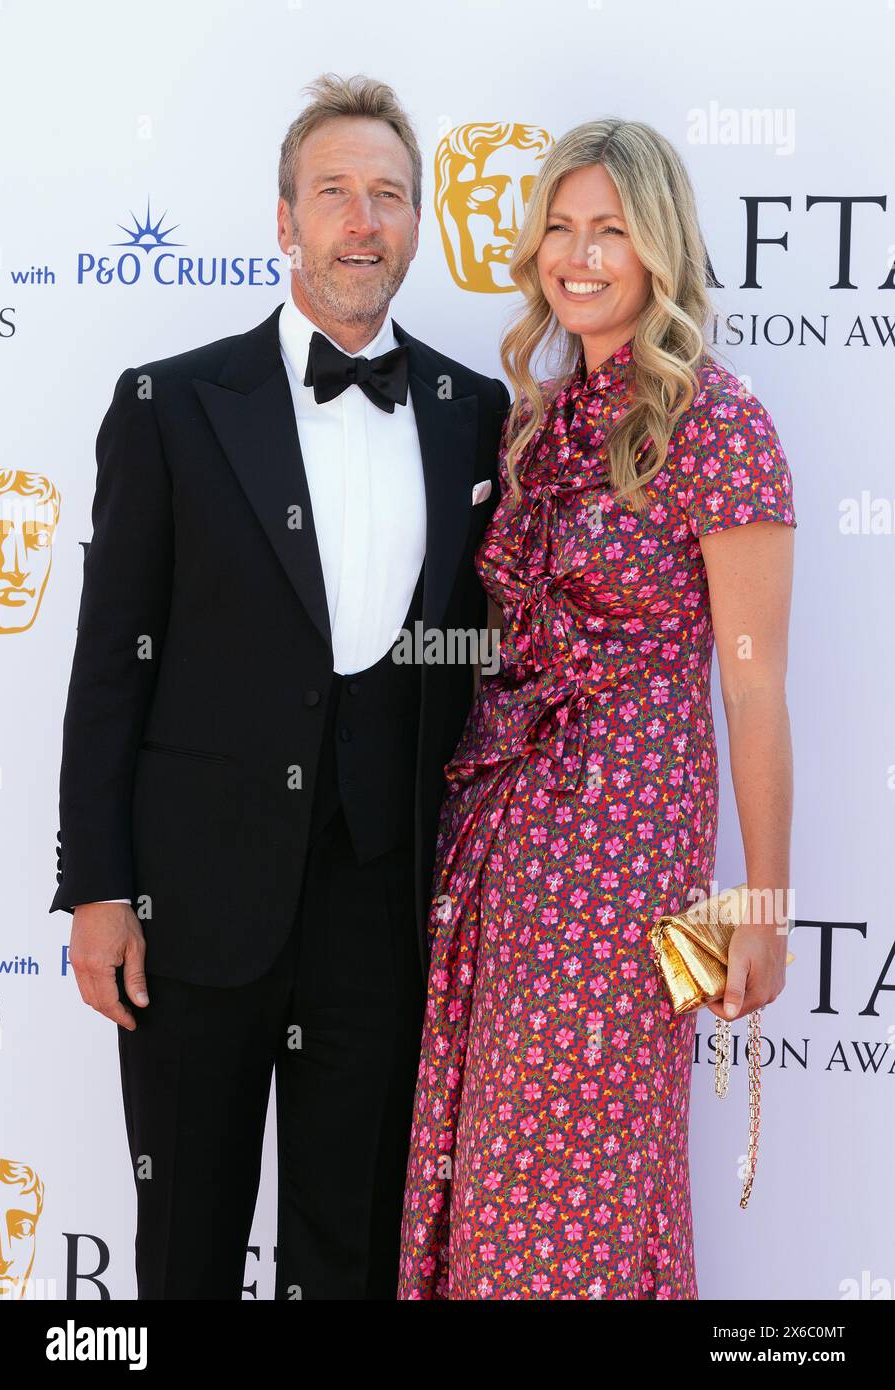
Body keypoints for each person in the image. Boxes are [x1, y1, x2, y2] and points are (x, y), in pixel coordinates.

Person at [50, 72, 508, 1300]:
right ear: (283, 219)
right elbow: (107, 662)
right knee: (185, 1245)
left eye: (389, 196)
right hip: (194, 903)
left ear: (416, 223)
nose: (362, 221)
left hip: (379, 904)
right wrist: (96, 885)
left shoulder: (476, 412)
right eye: (334, 194)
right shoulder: (171, 403)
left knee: (349, 1241)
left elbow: (460, 649)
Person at [398, 117, 797, 1300]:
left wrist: (761, 907)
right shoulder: (536, 422)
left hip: (627, 865)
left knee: (582, 1173)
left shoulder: (718, 428)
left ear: (658, 248)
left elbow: (753, 681)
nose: (578, 256)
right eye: (560, 230)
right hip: (502, 843)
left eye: (610, 230)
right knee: (496, 1165)